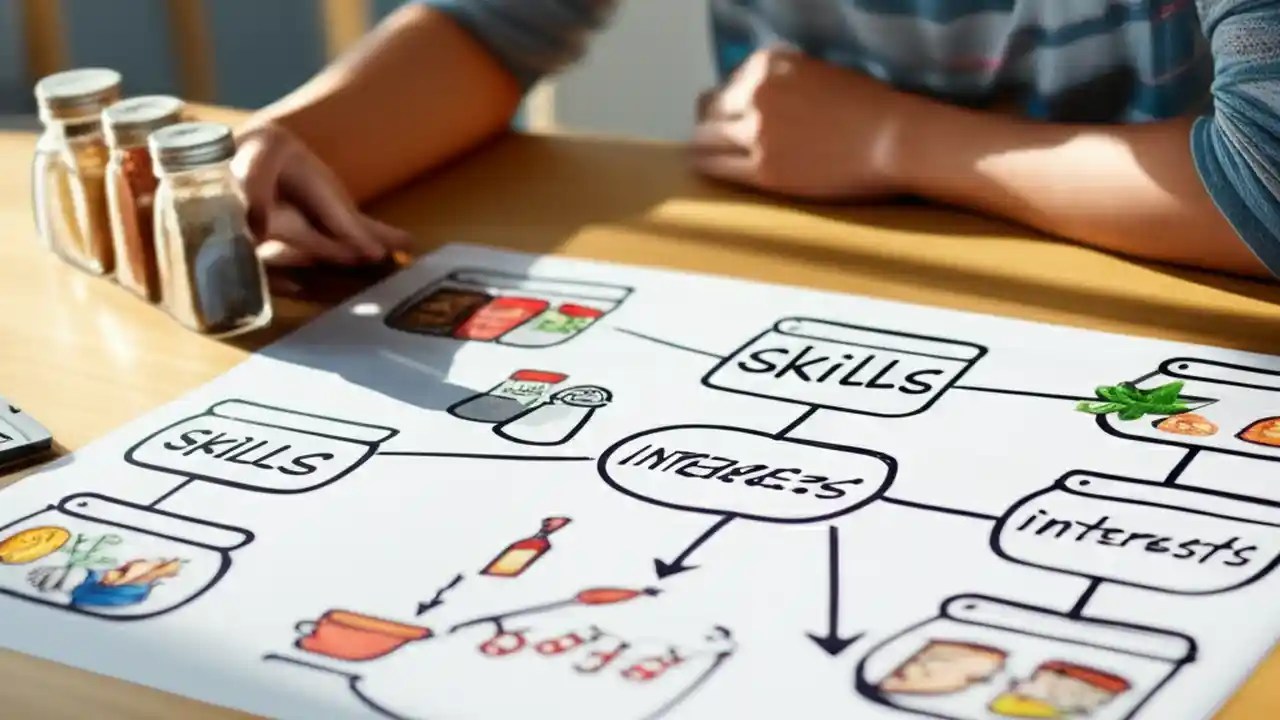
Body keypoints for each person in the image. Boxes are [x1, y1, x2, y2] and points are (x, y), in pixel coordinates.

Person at [234, 1, 1280, 279]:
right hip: (828, 294)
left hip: (1160, 296)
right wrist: (297, 143)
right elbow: (492, 24)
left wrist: (892, 141)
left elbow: (1264, 177)